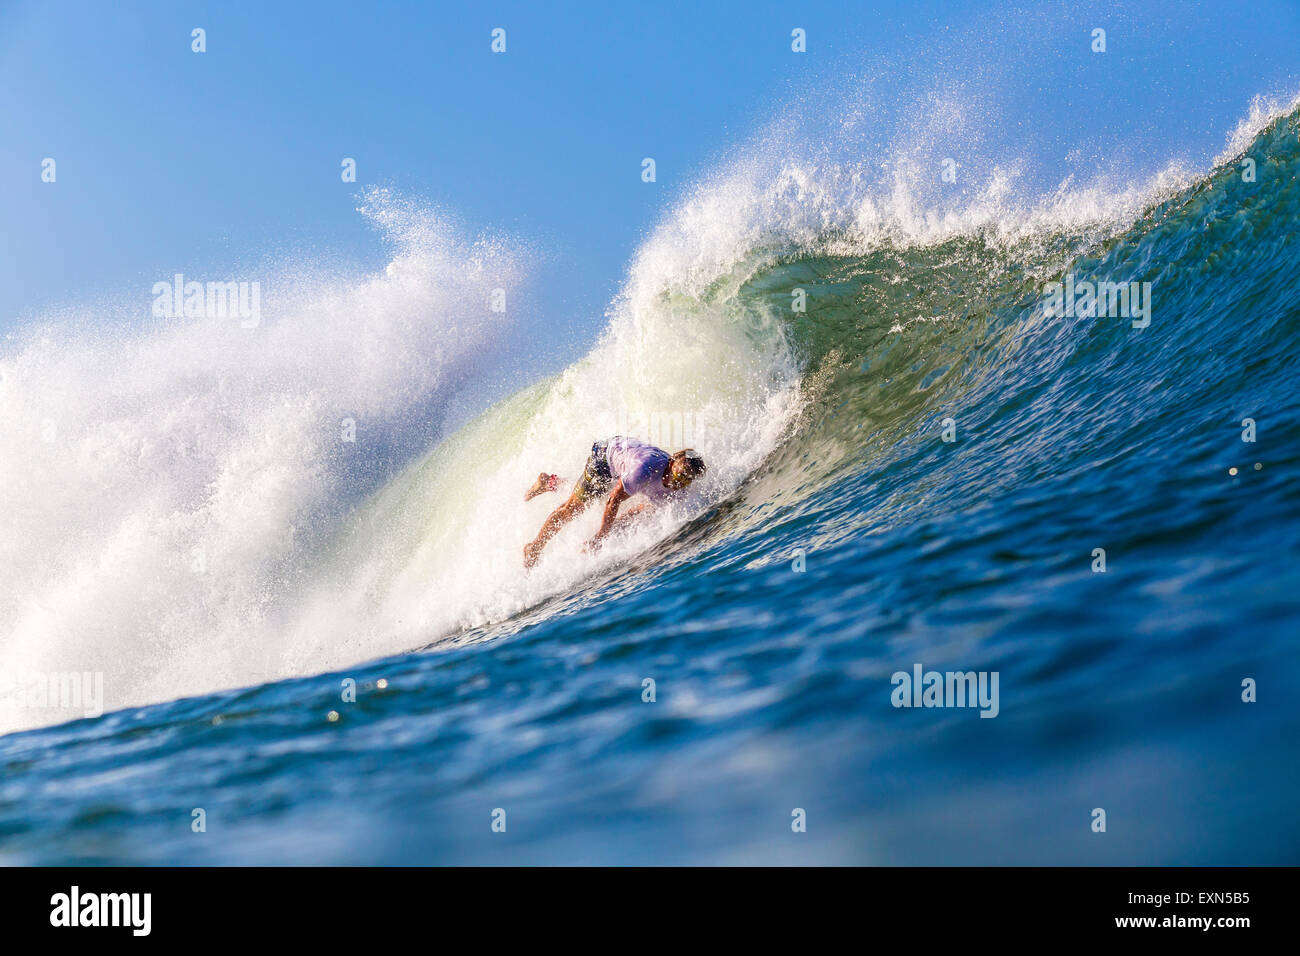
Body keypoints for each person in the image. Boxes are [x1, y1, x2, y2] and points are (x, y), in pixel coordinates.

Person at [523, 436, 706, 568]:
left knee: (594, 495)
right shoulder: (644, 470)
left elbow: (644, 507)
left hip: (625, 458)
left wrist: (615, 527)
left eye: (686, 481)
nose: (678, 484)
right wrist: (601, 536)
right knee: (574, 508)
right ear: (671, 463)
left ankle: (549, 482)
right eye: (678, 476)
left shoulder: (676, 483)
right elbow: (613, 500)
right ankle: (534, 548)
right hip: (605, 458)